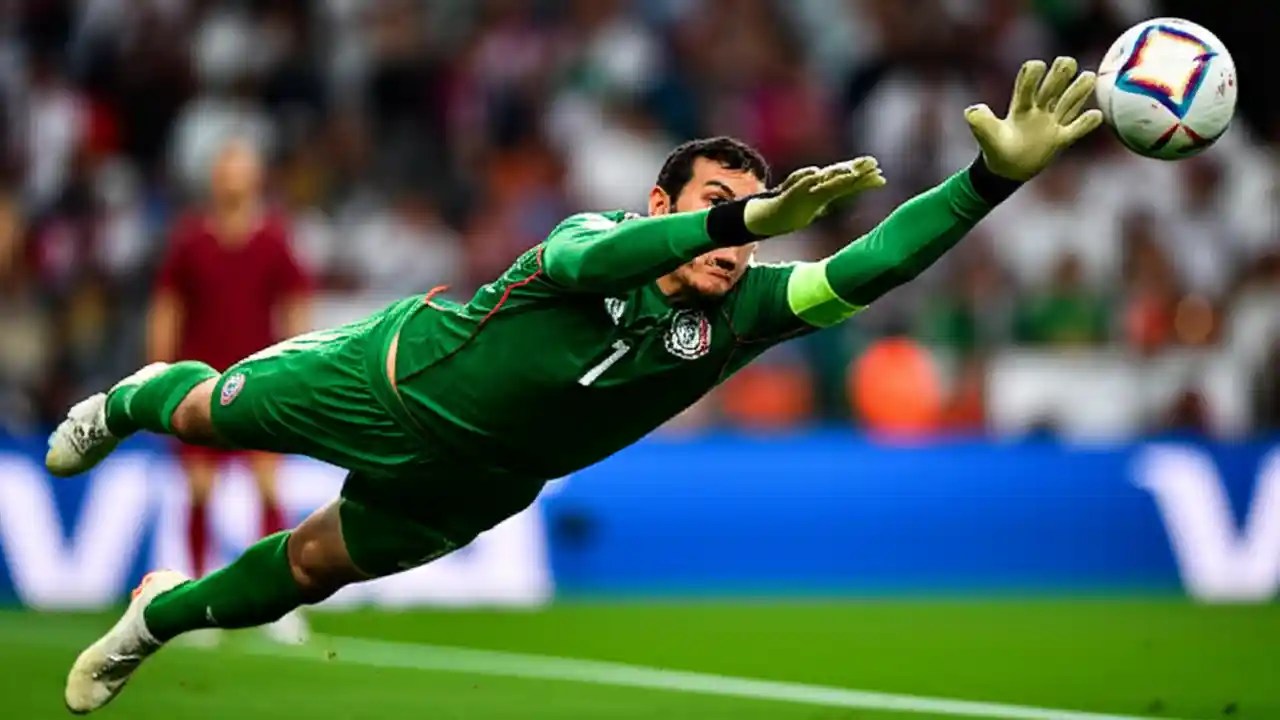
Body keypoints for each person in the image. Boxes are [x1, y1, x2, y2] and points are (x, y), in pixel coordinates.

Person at [50, 57, 1101, 714]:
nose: (736, 236)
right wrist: (744, 219)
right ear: (663, 203)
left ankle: (152, 624)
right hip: (387, 379)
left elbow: (868, 267)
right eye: (715, 207)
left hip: (483, 480)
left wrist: (991, 179)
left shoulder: (741, 313)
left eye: (751, 207)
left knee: (312, 566)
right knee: (199, 411)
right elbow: (592, 265)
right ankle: (124, 400)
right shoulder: (592, 236)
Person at [149, 139, 313, 645]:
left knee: (268, 486)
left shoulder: (273, 240)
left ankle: (278, 600)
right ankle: (197, 598)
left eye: (240, 170)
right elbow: (168, 306)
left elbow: (296, 307)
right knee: (199, 489)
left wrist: (299, 369)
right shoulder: (191, 239)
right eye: (226, 170)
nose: (232, 180)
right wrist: (160, 370)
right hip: (200, 383)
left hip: (258, 382)